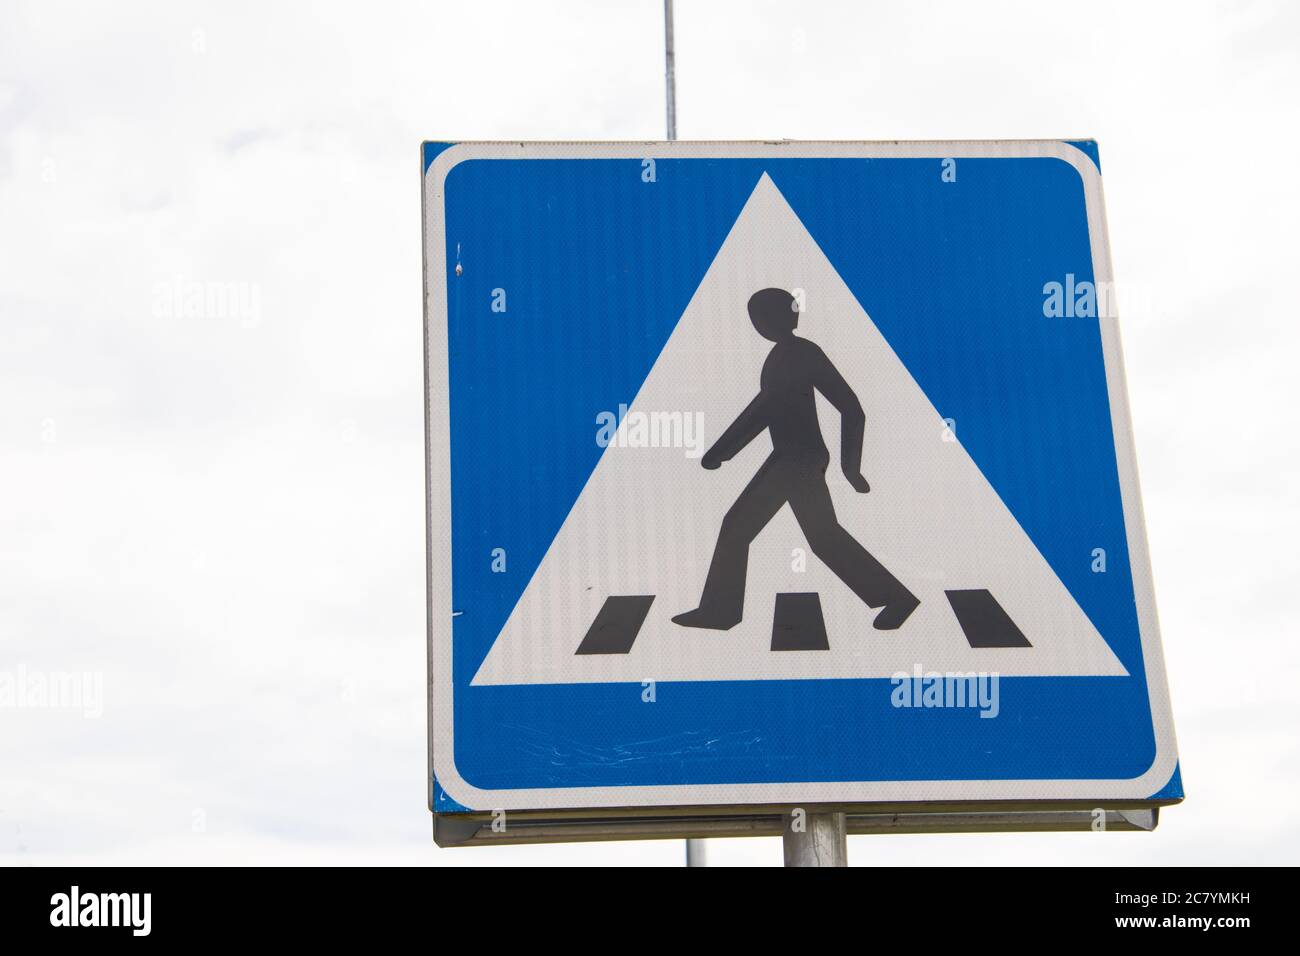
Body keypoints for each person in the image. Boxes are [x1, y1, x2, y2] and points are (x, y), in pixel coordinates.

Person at [672, 288, 919, 632]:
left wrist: (852, 468)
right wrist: (721, 452)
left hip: (797, 460)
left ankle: (720, 611)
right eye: (756, 318)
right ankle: (896, 598)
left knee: (742, 527)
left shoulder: (799, 354)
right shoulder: (785, 355)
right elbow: (765, 410)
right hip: (792, 457)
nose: (759, 324)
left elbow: (849, 408)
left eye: (762, 316)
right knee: (818, 537)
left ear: (784, 317)